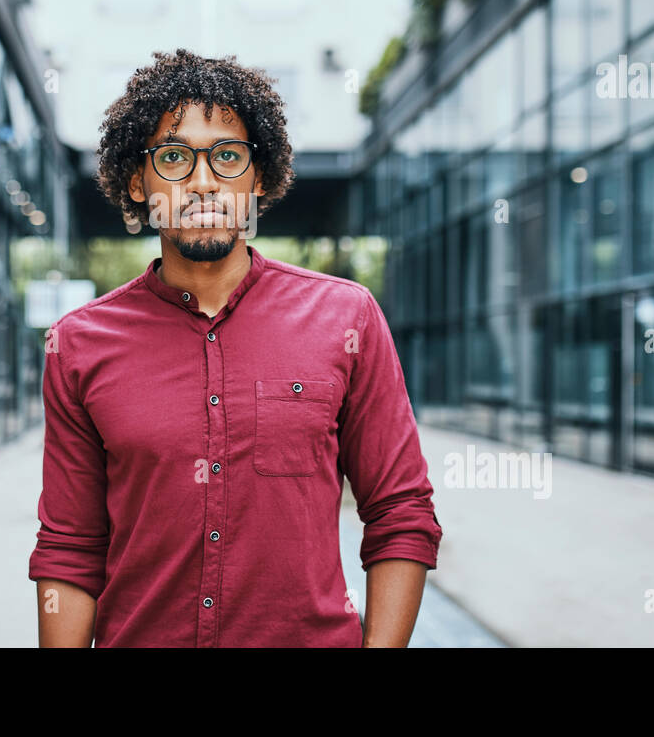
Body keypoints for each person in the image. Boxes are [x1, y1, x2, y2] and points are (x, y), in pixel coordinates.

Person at [29, 48, 442, 647]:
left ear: (258, 176)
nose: (203, 182)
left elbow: (401, 513)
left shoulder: (346, 318)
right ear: (139, 182)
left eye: (227, 156)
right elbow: (70, 547)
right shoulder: (78, 346)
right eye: (173, 157)